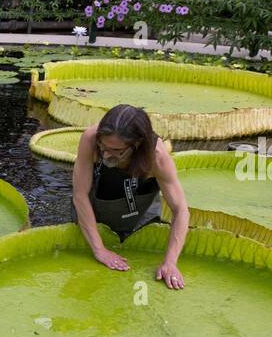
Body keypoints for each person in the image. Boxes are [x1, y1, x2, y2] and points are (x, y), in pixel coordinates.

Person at [71, 104, 189, 290]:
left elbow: (180, 209)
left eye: (117, 151)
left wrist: (170, 262)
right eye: (103, 147)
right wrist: (99, 249)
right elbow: (79, 195)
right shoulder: (90, 139)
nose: (107, 154)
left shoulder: (157, 157)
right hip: (96, 210)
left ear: (137, 145)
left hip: (140, 215)